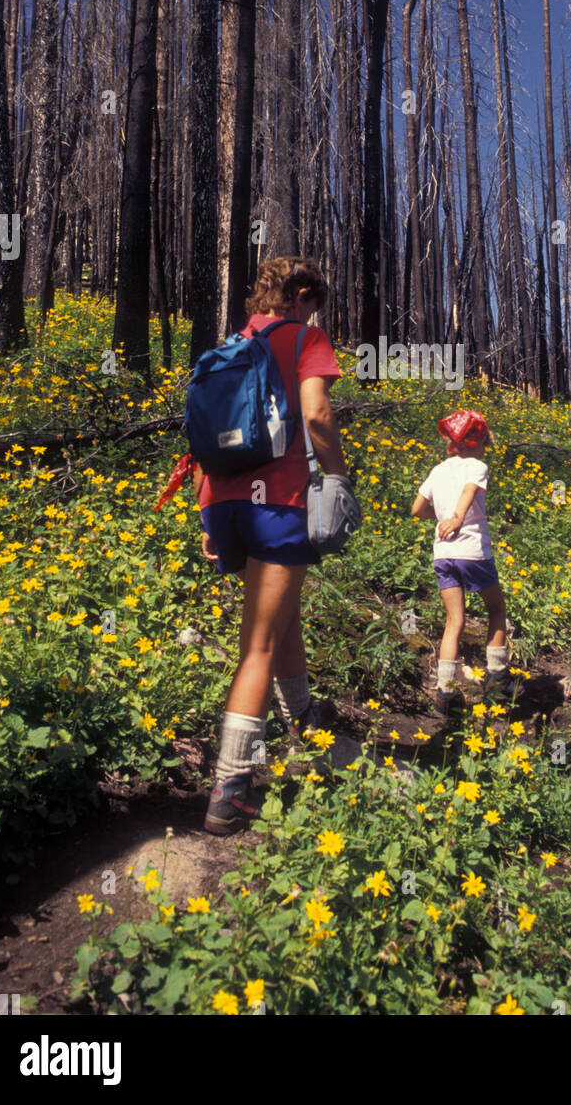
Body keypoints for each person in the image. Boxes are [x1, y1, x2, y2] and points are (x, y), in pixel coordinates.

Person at [193, 257, 350, 835]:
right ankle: (230, 787)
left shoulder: (230, 345)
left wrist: (210, 517)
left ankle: (305, 722)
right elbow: (316, 413)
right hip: (278, 502)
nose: (316, 311)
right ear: (302, 295)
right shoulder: (305, 337)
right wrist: (337, 478)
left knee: (285, 620)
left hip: (226, 502)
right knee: (257, 644)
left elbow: (209, 434)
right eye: (314, 300)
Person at [410, 410, 510, 715]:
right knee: (496, 609)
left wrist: (442, 518)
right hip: (472, 552)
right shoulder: (477, 466)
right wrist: (456, 516)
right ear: (476, 442)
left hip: (443, 553)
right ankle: (497, 681)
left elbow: (416, 510)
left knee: (454, 622)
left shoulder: (438, 470)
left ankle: (446, 694)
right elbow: (468, 490)